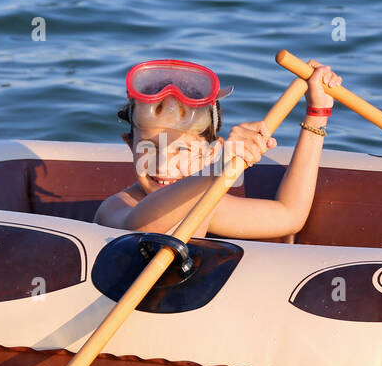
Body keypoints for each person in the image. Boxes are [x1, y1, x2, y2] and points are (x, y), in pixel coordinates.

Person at [94, 58, 342, 240]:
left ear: (212, 152)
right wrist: (218, 170)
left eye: (182, 150)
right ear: (130, 145)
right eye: (149, 149)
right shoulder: (116, 209)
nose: (162, 165)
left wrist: (316, 116)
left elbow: (289, 217)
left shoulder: (205, 206)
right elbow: (142, 226)